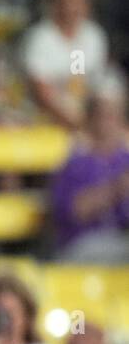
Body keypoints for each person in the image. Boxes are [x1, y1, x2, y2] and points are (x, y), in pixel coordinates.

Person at [48, 87, 129, 262]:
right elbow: (71, 212)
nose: (107, 122)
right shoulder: (75, 163)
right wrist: (116, 189)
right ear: (89, 119)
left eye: (113, 115)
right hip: (82, 245)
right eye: (102, 115)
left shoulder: (125, 160)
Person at [21, 0, 111, 131]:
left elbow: (81, 77)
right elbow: (42, 93)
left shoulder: (91, 35)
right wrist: (80, 123)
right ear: (55, 2)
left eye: (78, 0)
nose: (73, 5)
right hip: (41, 118)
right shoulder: (40, 38)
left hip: (85, 113)